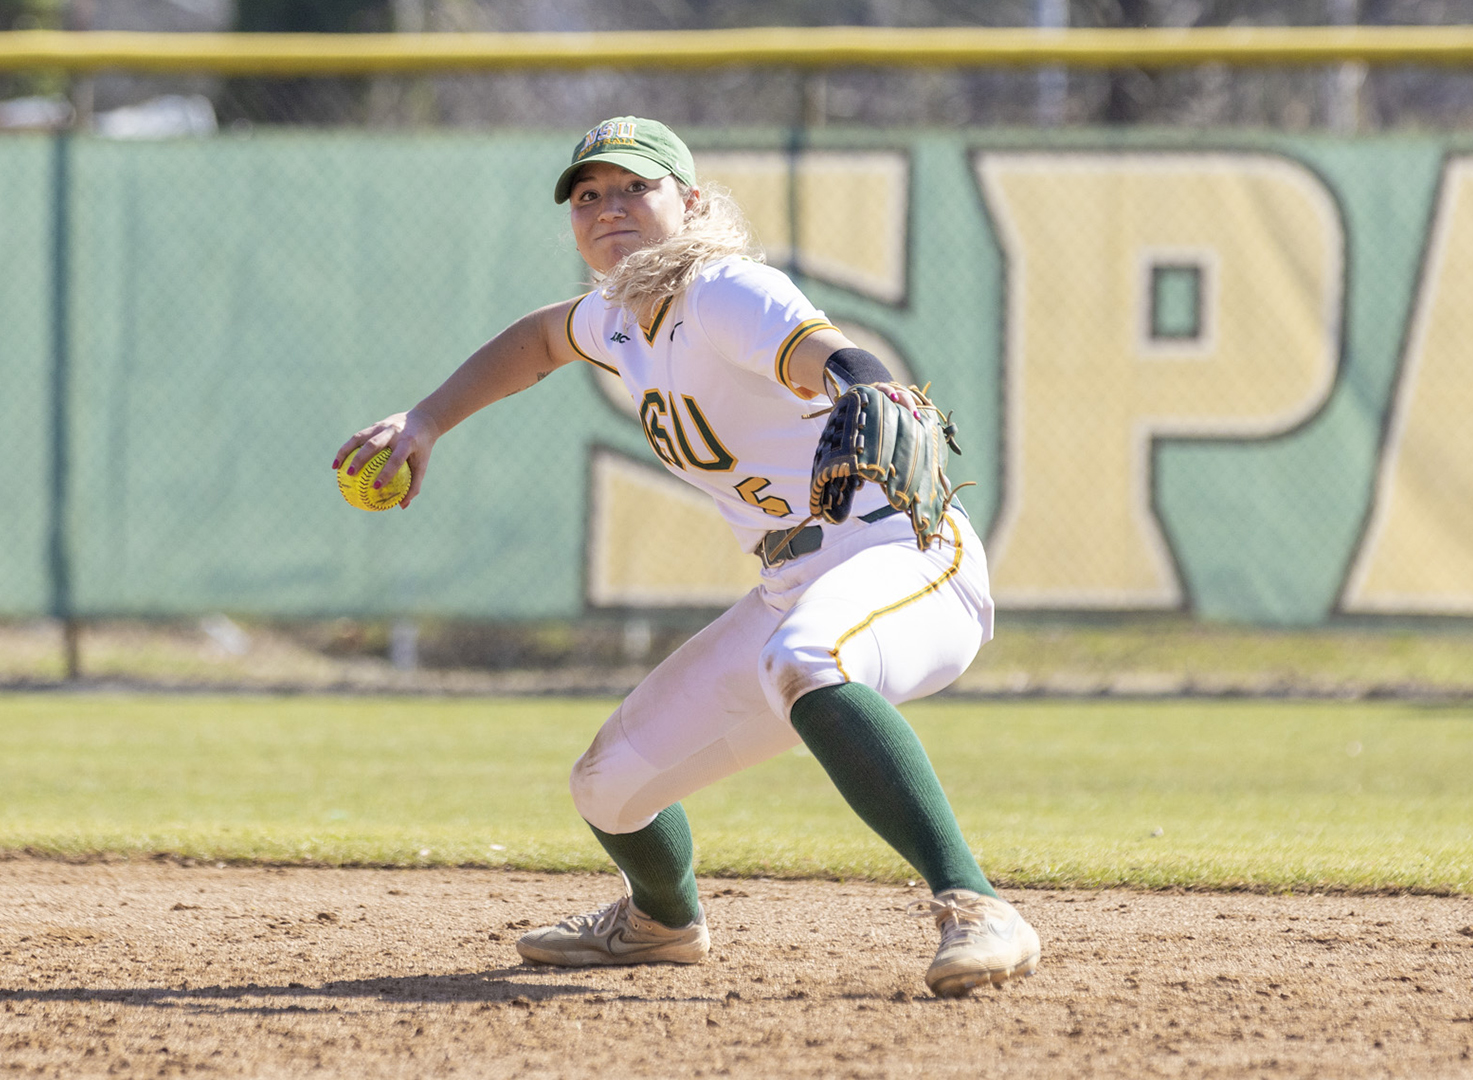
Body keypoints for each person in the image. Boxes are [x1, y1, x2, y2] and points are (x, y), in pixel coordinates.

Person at [333, 116, 1039, 998]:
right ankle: (660, 922)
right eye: (589, 195)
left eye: (636, 186)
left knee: (810, 657)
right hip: (792, 582)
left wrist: (864, 381)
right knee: (609, 785)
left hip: (904, 556)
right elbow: (540, 341)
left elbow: (828, 350)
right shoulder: (618, 318)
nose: (609, 207)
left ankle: (976, 905)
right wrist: (427, 417)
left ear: (691, 203)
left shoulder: (721, 289)